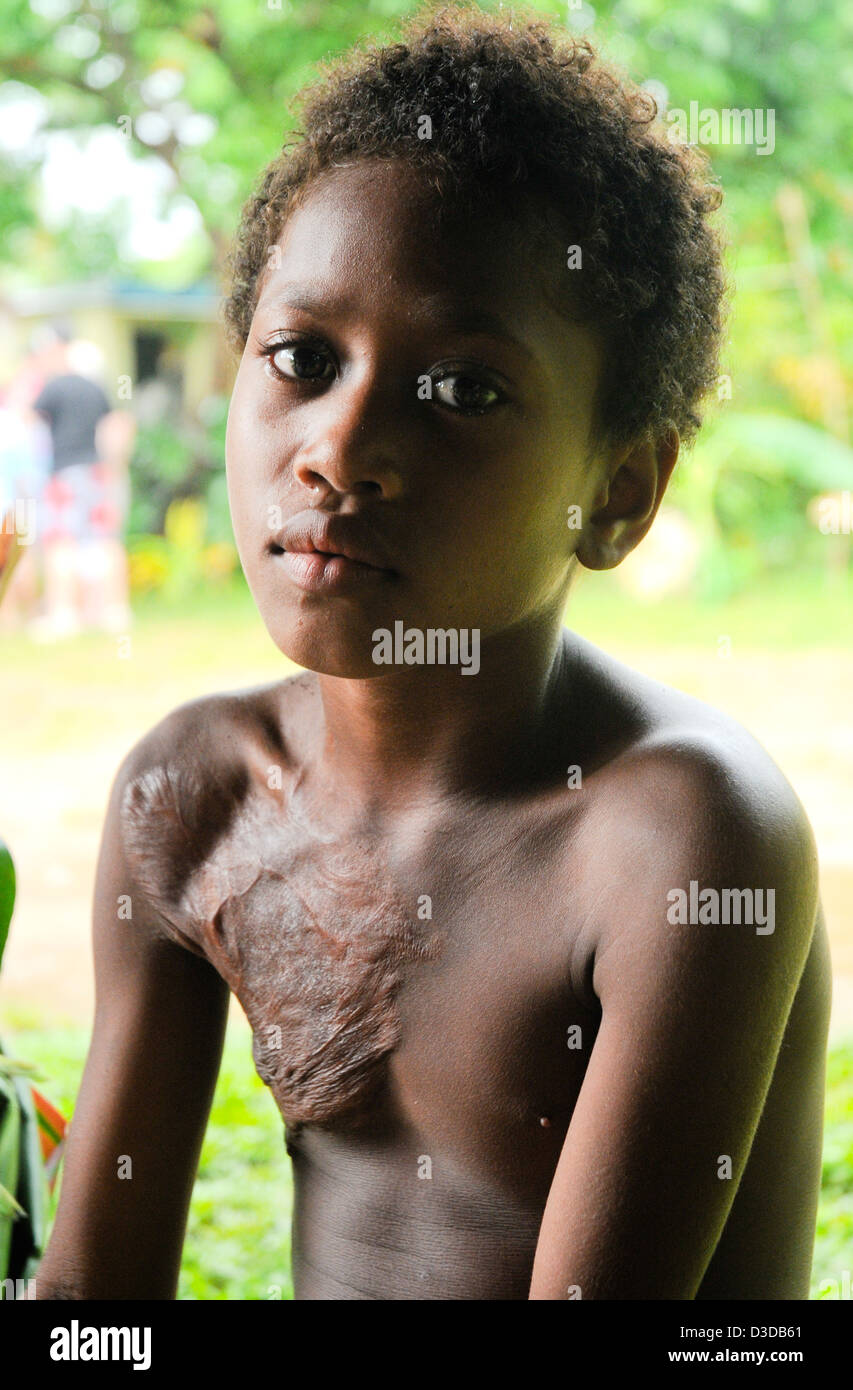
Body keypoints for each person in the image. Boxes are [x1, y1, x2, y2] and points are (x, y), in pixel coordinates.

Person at [33, 5, 830, 1300]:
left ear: (616, 495)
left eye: (463, 389)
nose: (338, 451)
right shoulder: (194, 797)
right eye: (300, 357)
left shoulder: (675, 838)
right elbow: (93, 1309)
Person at [29, 333, 133, 639]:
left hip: (64, 474)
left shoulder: (55, 386)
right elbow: (112, 428)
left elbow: (31, 421)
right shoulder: (97, 389)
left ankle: (63, 614)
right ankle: (115, 611)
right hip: (97, 473)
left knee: (61, 541)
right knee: (105, 539)